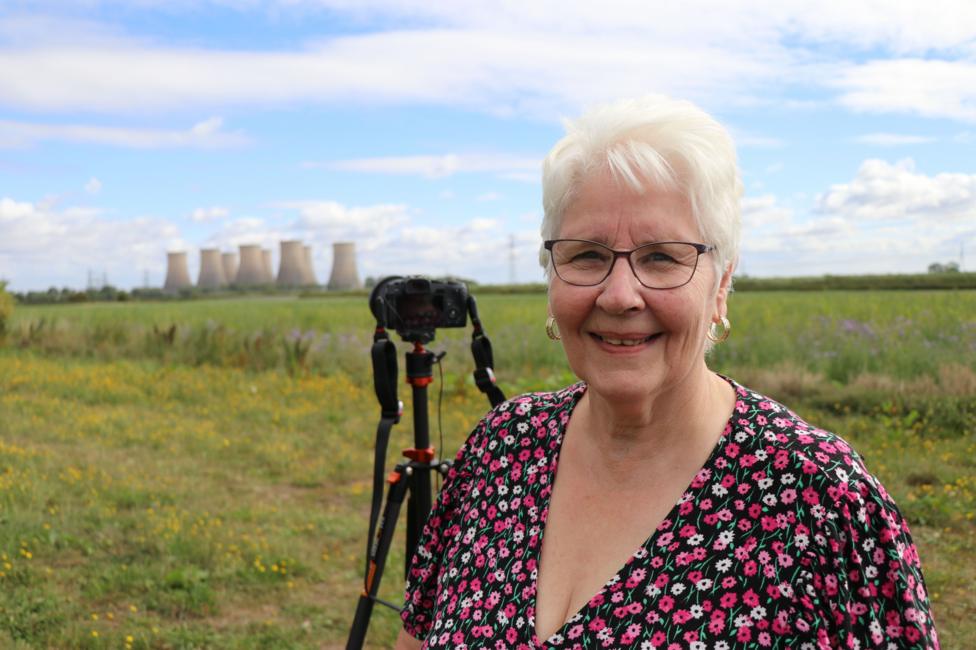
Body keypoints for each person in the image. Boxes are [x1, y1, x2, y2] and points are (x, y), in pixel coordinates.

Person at [394, 96, 939, 649]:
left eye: (661, 257)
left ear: (720, 285)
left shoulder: (822, 499)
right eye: (587, 255)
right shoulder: (502, 446)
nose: (619, 295)